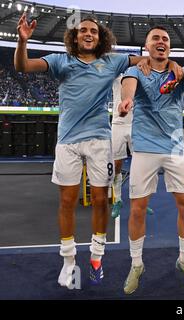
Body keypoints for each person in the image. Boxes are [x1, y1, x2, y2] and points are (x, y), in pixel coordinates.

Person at [14, 13, 153, 288]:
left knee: (101, 200)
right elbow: (22, 66)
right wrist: (22, 41)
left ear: (100, 38)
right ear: (75, 36)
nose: (88, 34)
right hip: (67, 141)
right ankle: (68, 262)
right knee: (67, 202)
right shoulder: (60, 61)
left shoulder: (111, 61)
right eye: (83, 30)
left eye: (94, 31)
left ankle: (97, 256)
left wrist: (162, 63)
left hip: (100, 140)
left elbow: (143, 61)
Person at [118, 26, 184, 293]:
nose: (161, 42)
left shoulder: (180, 72)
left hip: (174, 148)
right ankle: (136, 264)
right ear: (147, 46)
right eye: (156, 39)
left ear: (169, 47)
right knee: (138, 207)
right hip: (145, 149)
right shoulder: (137, 70)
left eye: (165, 39)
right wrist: (126, 101)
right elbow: (129, 86)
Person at [110, 76, 153, 219]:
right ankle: (117, 199)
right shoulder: (117, 76)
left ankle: (141, 201)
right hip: (118, 123)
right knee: (117, 164)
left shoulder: (140, 77)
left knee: (140, 164)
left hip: (136, 124)